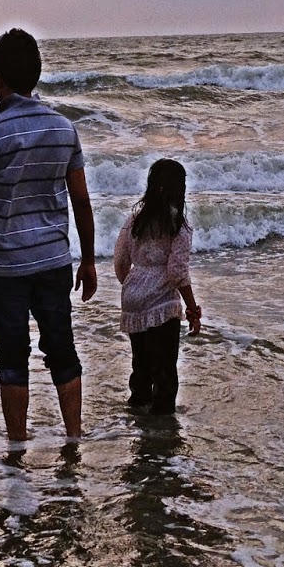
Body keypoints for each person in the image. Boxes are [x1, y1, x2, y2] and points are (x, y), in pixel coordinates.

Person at [0, 28, 98, 441]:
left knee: (11, 359)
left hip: (3, 266)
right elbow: (82, 201)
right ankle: (73, 439)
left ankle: (17, 450)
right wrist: (87, 260)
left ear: (0, 78)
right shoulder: (63, 128)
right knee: (63, 352)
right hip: (53, 261)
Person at [113, 158, 202, 415]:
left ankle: (137, 413)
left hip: (133, 299)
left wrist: (134, 284)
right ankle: (161, 434)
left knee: (140, 366)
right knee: (164, 372)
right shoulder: (178, 226)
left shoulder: (134, 220)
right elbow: (177, 273)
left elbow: (120, 260)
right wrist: (192, 308)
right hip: (162, 303)